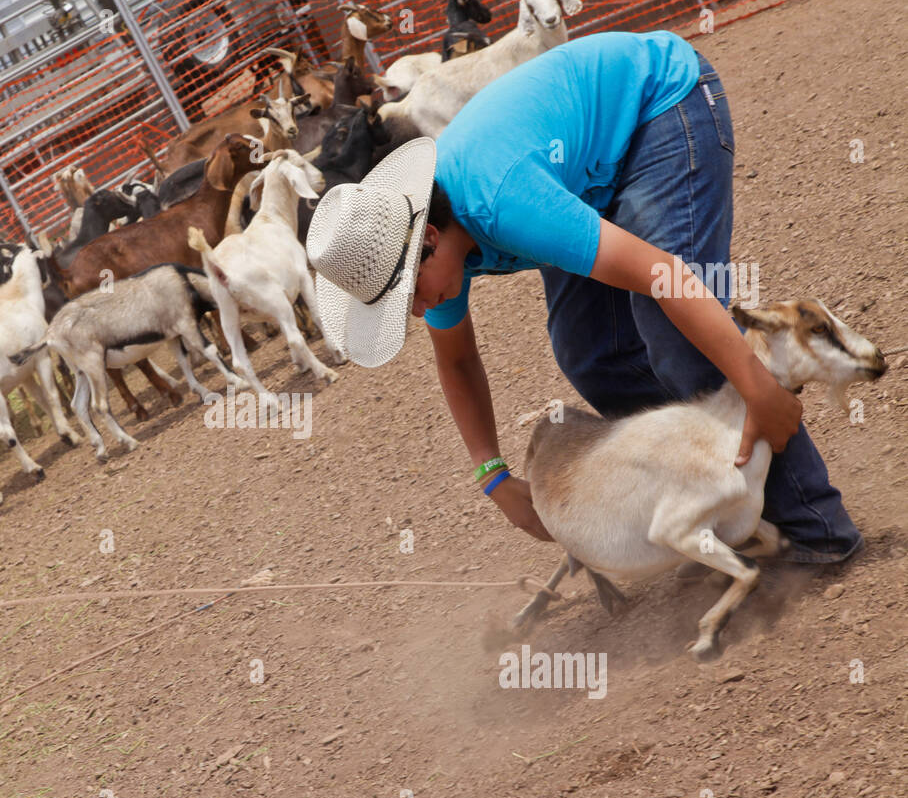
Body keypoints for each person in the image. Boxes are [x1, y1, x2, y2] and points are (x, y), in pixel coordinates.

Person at [307, 29, 861, 563]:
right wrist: (491, 474)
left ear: (428, 240)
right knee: (593, 356)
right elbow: (457, 359)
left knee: (675, 336)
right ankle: (709, 500)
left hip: (658, 109)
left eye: (412, 293)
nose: (422, 309)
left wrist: (756, 386)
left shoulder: (500, 202)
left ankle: (811, 528)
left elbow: (662, 274)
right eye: (405, 306)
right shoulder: (429, 245)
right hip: (580, 176)